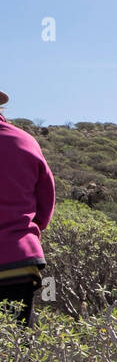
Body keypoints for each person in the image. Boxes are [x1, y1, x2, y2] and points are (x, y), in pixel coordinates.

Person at [0, 90, 56, 328]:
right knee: (15, 347)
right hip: (19, 259)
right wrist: (26, 233)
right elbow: (46, 199)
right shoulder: (24, 141)